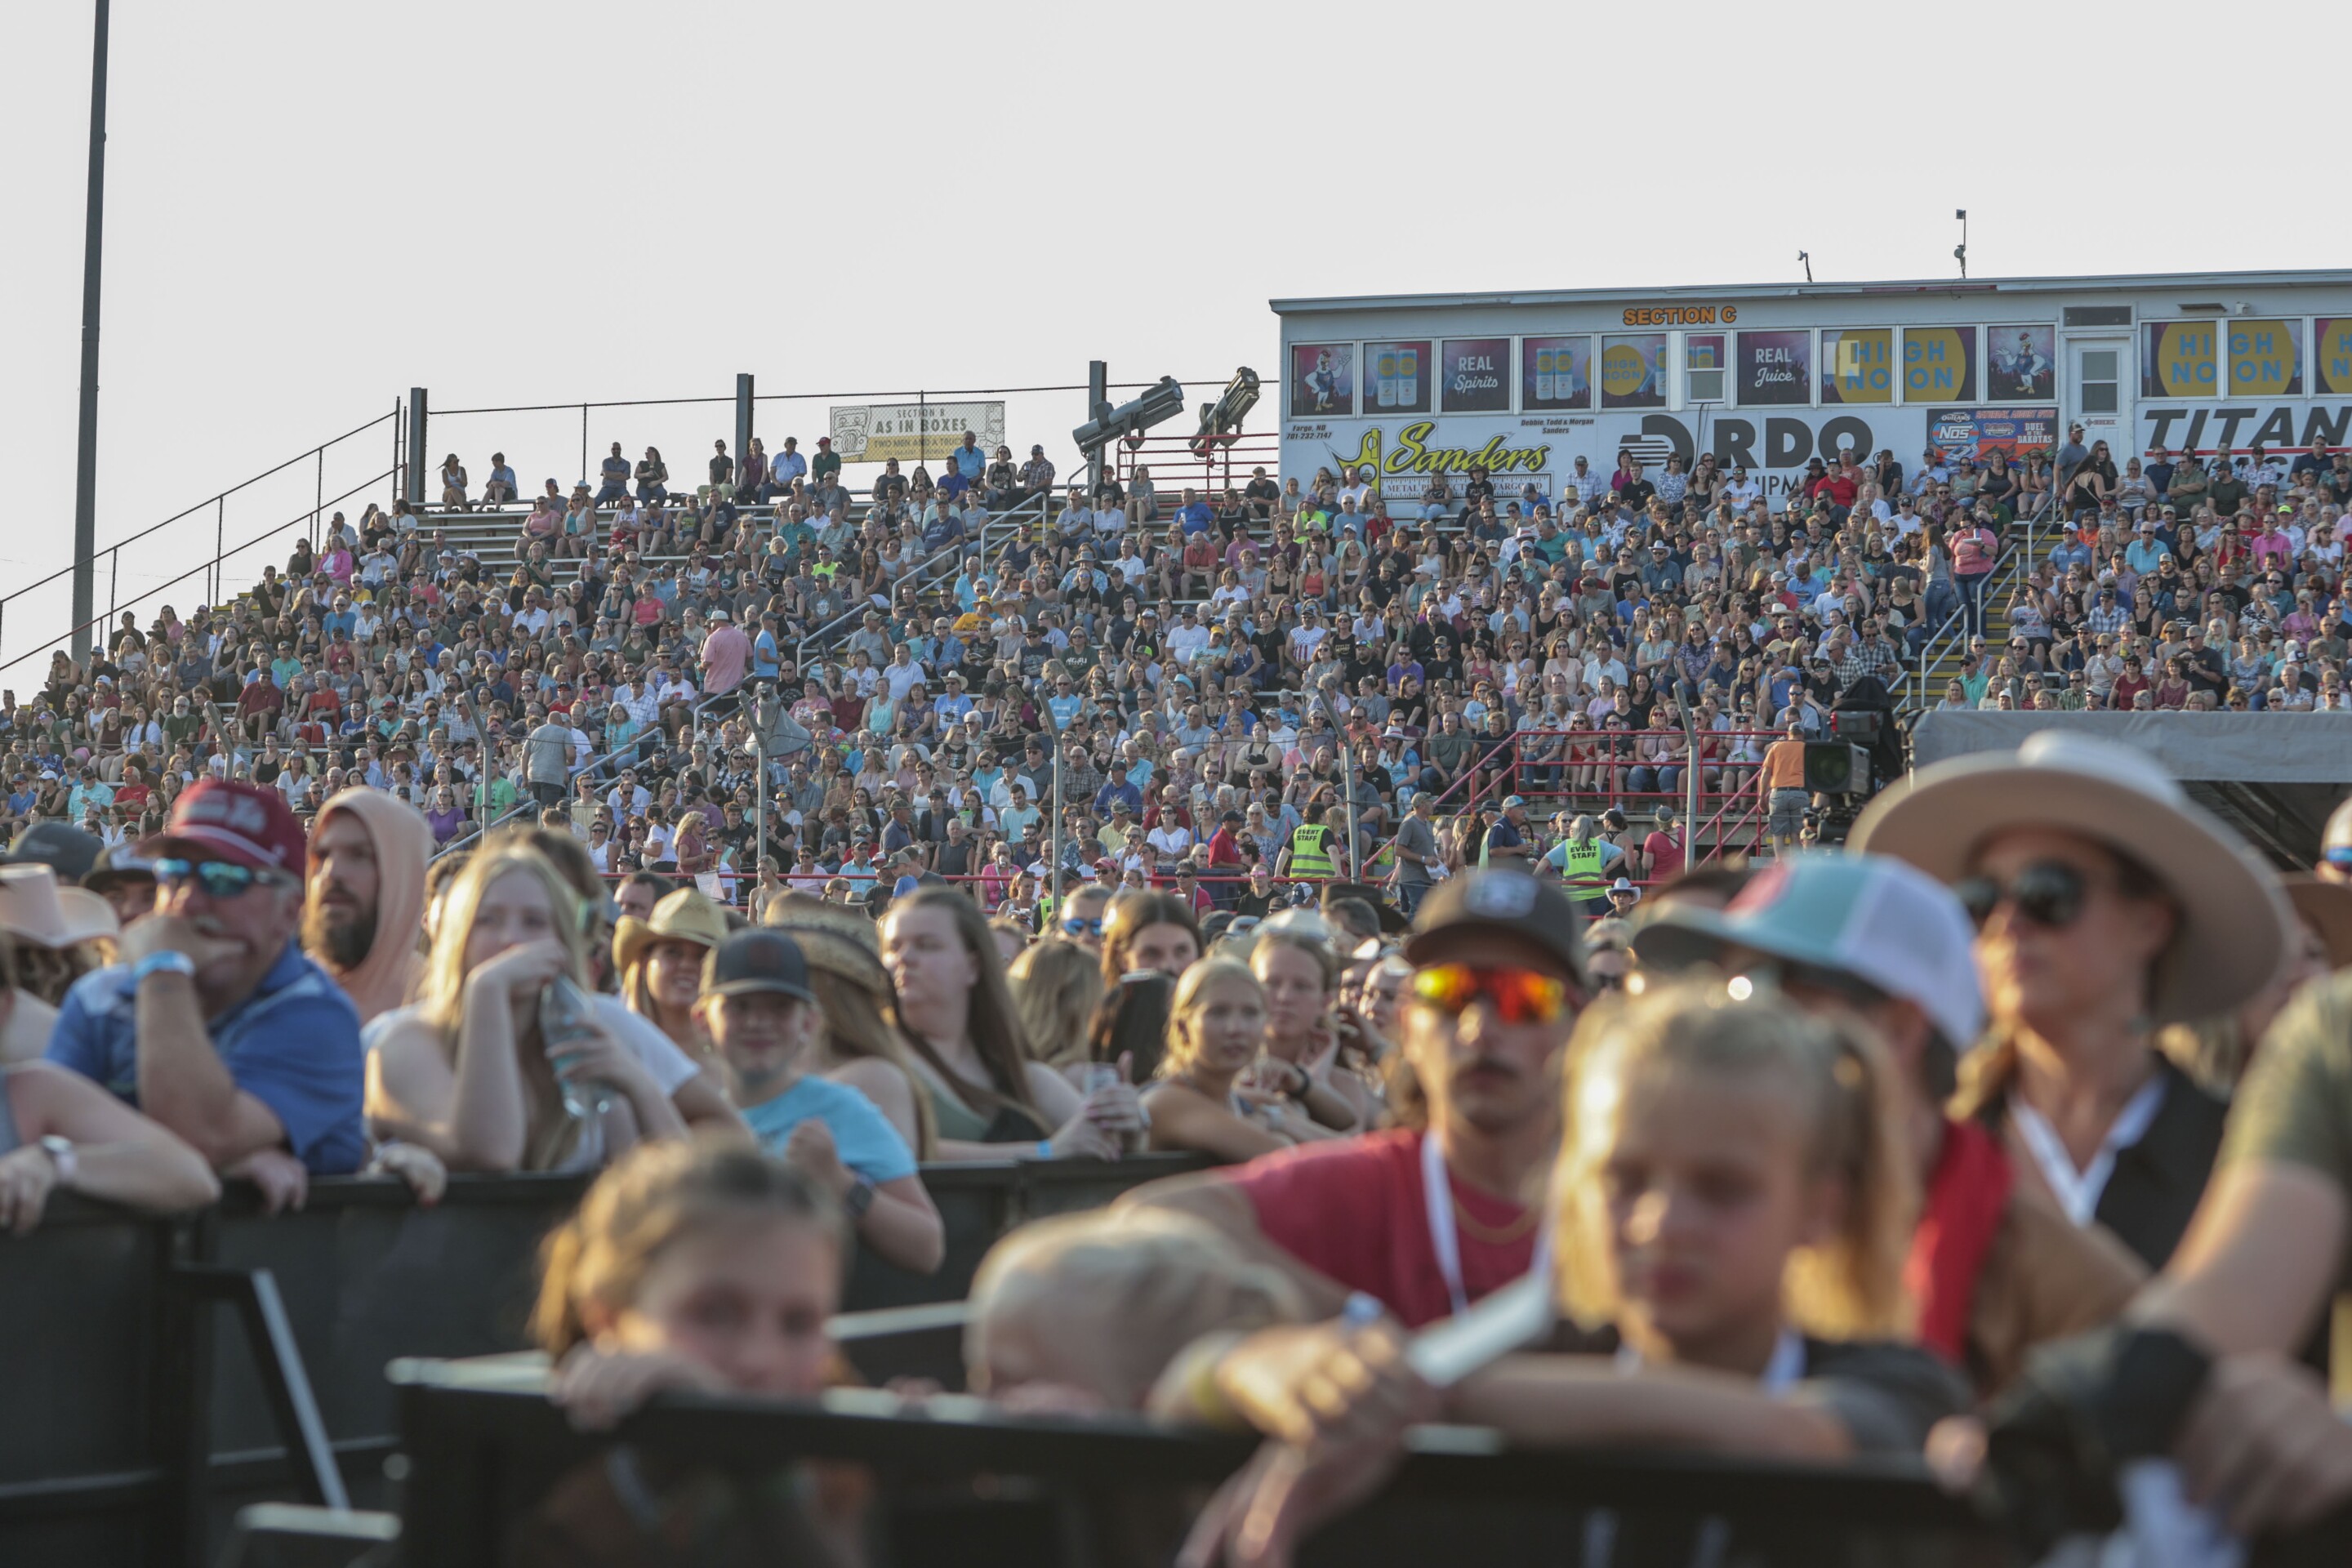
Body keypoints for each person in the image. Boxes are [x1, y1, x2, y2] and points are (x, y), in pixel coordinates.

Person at [1176, 983, 1967, 1568]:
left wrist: (1411, 1388)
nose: (1661, 1222)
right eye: (1626, 1180)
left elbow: (1799, 1434)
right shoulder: (1537, 1343)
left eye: (1722, 1189)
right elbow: (1182, 1387)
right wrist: (1262, 1366)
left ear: (1820, 1209)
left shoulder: (1902, 1383)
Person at [1634, 853, 2144, 1398]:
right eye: (1718, 991)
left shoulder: (2072, 1292)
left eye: (1761, 989)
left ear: (1899, 1030)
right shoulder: (1698, 1225)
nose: (1727, 1028)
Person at [1851, 732, 2292, 1272]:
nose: (2006, 924)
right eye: (1981, 900)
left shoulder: (2250, 1160)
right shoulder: (1912, 1151)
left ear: (2149, 923)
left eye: (2047, 893)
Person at [1127, 869, 1586, 1327]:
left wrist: (1425, 1375)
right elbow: (1149, 1218)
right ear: (1408, 1024)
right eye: (1447, 993)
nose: (1479, 1029)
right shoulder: (1378, 1183)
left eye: (1524, 998)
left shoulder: (1627, 1199)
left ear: (1580, 1024)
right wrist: (1350, 1316)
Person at [523, 1141, 858, 1566]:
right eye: (715, 1314)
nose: (761, 1359)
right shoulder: (518, 1476)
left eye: (798, 1323)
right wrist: (661, 1464)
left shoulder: (847, 1464)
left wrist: (764, 1474)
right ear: (609, 1320)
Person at [47, 781, 368, 1178]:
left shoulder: (318, 1014)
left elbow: (201, 1136)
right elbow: (47, 1136)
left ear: (288, 911)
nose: (187, 901)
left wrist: (164, 966)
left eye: (223, 877)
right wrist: (225, 1165)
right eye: (175, 874)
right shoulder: (100, 998)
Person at [364, 849, 729, 1172]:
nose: (511, 939)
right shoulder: (403, 1042)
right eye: (488, 920)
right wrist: (487, 990)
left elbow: (671, 1182)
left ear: (562, 941)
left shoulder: (582, 1042)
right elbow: (490, 1153)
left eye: (535, 922)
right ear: (460, 936)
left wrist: (634, 1081)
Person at [697, 927, 942, 1275]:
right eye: (739, 1007)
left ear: (808, 1023)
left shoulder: (842, 1110)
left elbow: (928, 1247)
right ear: (703, 1021)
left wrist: (841, 1182)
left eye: (779, 1009)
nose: (757, 1022)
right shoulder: (693, 1117)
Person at [879, 885, 1140, 1162]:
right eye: (894, 947)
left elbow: (1102, 1141)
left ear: (974, 965)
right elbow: (894, 1150)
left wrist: (1127, 1123)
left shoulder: (1017, 1071)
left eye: (927, 945)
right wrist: (1045, 1152)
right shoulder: (869, 1054)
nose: (904, 958)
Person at [1143, 958, 1332, 1162]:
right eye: (1218, 1013)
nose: (1235, 1028)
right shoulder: (1167, 1101)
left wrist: (1296, 1089)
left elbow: (1346, 1137)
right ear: (1183, 1027)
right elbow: (1282, 1156)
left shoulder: (1241, 1101)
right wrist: (1275, 1122)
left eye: (1250, 1013)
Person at [303, 786, 433, 1024]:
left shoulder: (439, 1005)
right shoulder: (285, 992)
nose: (331, 873)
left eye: (359, 855)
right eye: (322, 855)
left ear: (401, 874)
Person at [1249, 920, 1372, 1133]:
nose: (1285, 997)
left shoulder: (1344, 1085)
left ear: (1325, 1002)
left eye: (1301, 987)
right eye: (1272, 983)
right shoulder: (1223, 1071)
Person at [613, 888, 730, 1076]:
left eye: (703, 956)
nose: (687, 965)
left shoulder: (739, 1062)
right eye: (673, 952)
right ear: (645, 962)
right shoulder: (612, 1043)